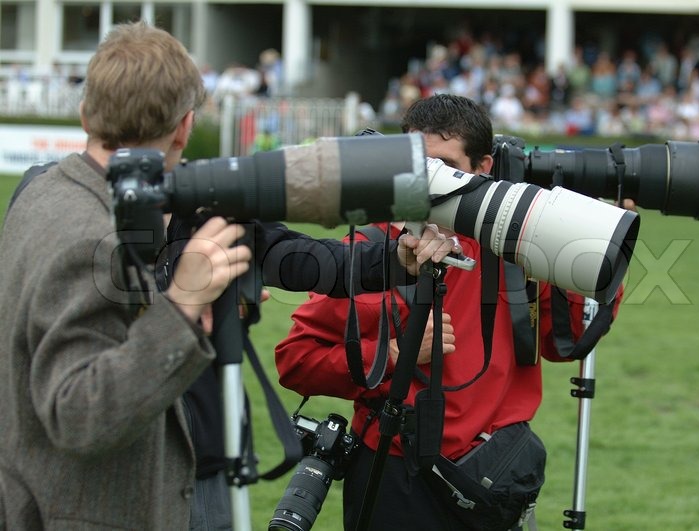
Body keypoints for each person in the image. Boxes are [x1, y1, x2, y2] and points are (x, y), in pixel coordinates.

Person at [0, 22, 458, 531]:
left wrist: (396, 261)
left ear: (85, 112)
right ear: (185, 127)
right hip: (102, 496)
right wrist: (183, 302)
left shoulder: (94, 195)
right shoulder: (75, 220)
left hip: (193, 457)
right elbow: (80, 413)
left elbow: (302, 258)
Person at [274, 93, 627, 530]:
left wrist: (596, 251)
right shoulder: (370, 253)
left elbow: (567, 342)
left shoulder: (520, 243)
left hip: (495, 471)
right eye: (418, 167)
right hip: (393, 472)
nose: (430, 183)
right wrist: (393, 354)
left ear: (483, 168)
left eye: (446, 167)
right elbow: (295, 360)